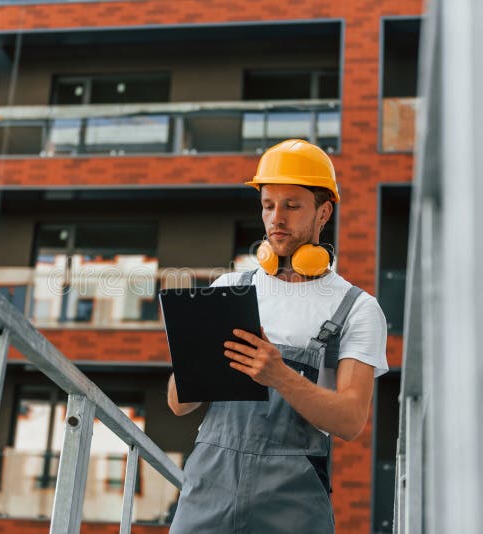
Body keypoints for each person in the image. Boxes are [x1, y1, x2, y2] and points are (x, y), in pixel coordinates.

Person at [166, 139, 389, 533]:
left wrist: (278, 374)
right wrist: (199, 357)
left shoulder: (357, 308)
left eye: (292, 205)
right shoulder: (230, 287)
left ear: (324, 212)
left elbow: (351, 420)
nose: (276, 219)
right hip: (208, 488)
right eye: (268, 205)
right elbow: (177, 405)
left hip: (293, 502)